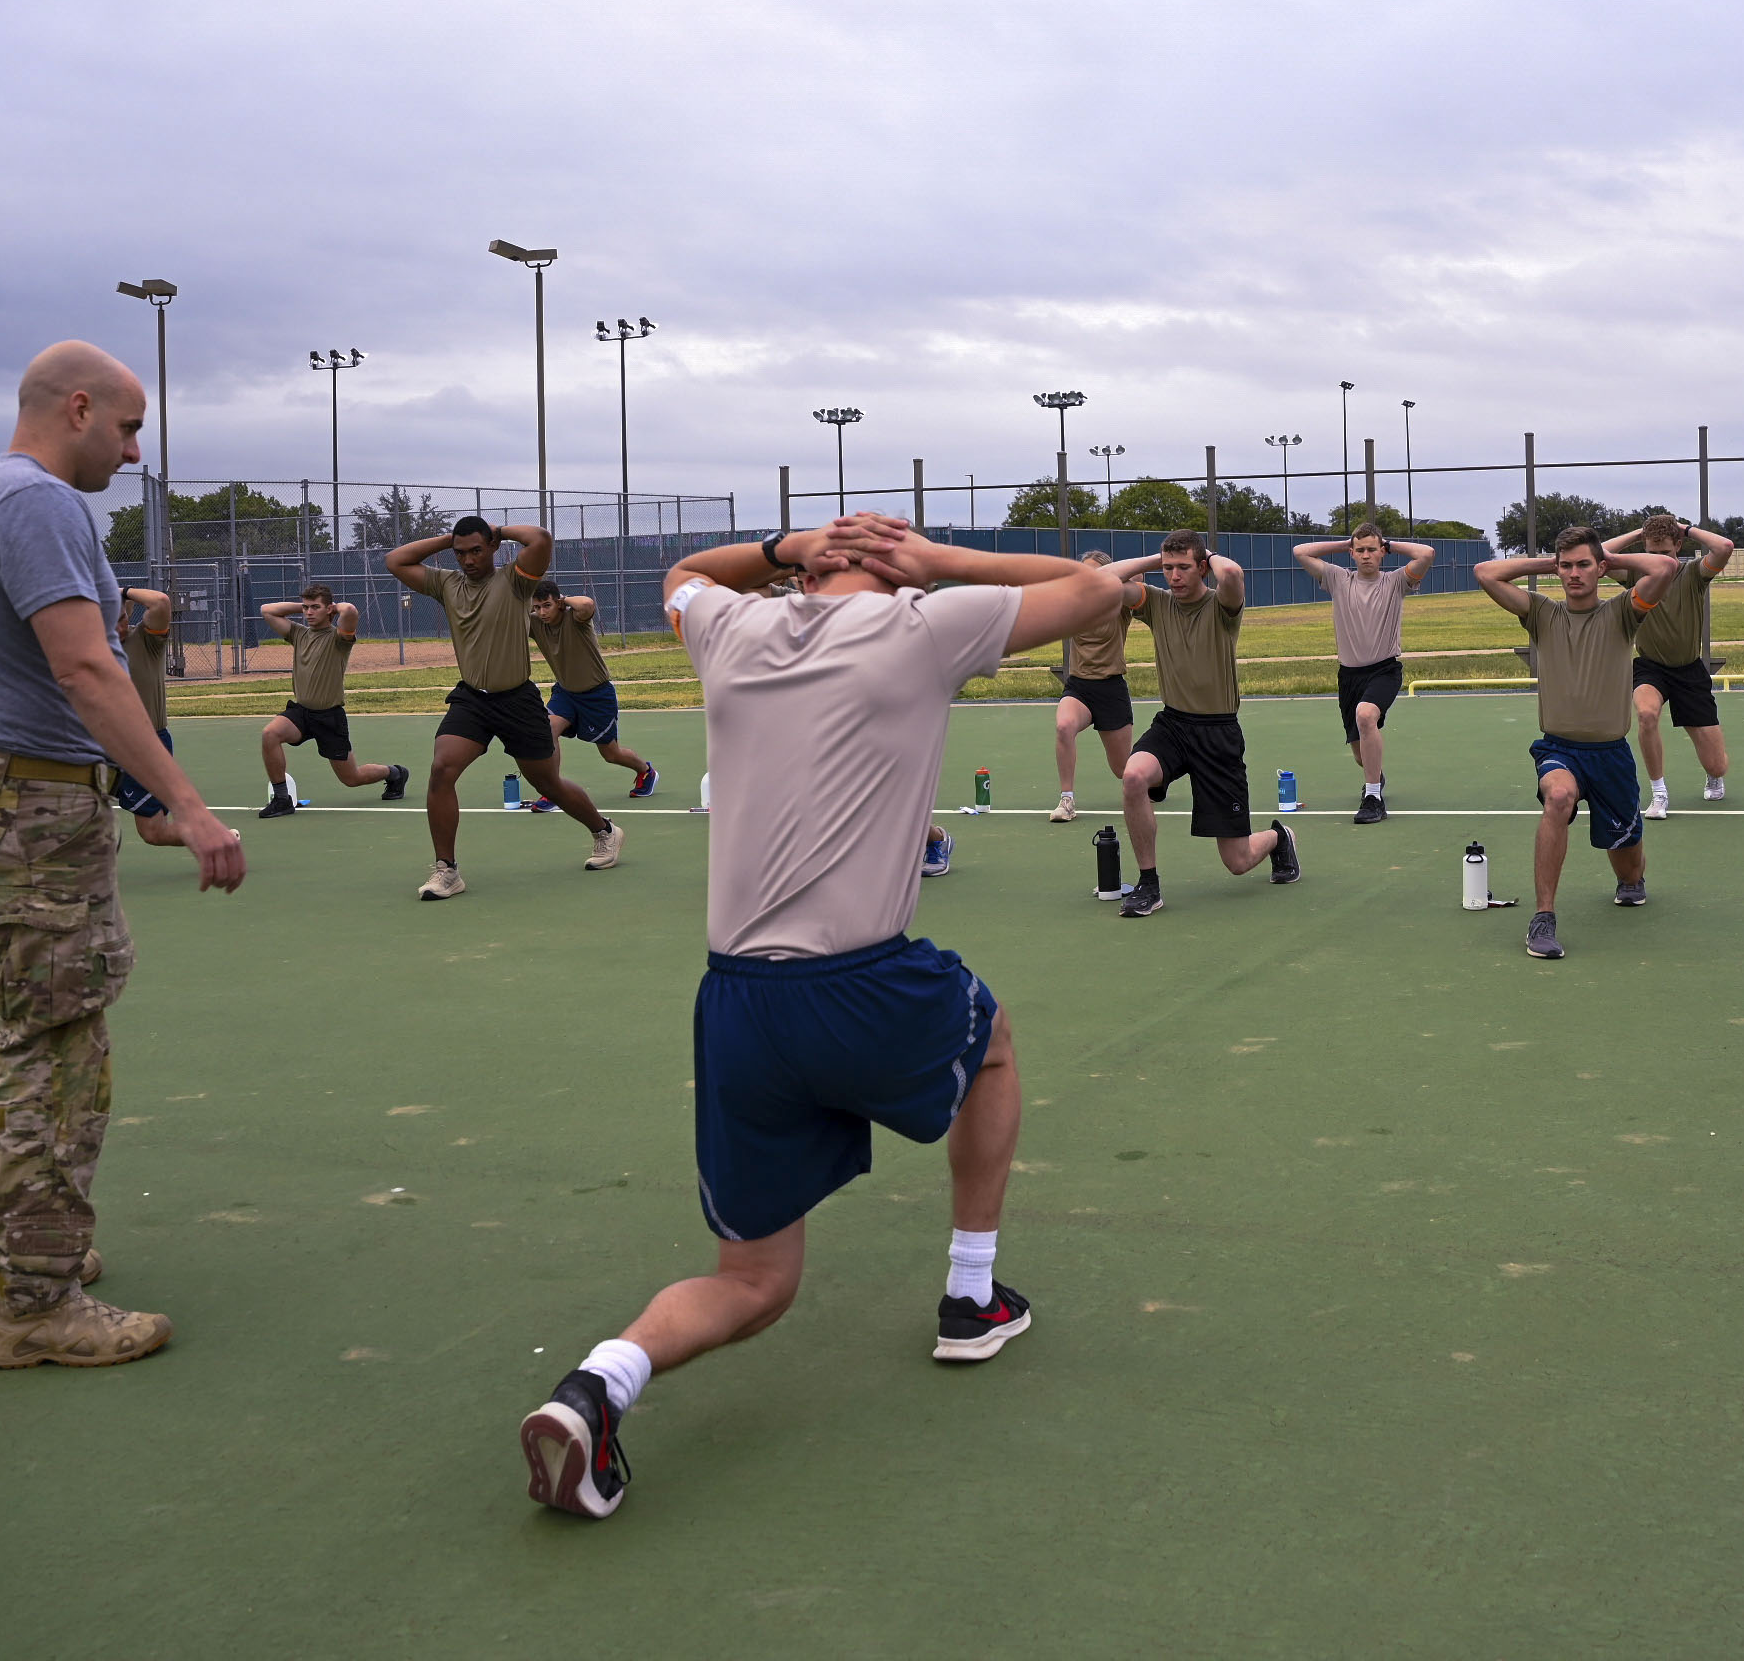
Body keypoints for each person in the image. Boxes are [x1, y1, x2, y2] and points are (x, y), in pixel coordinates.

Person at [517, 514, 1120, 1521]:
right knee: (995, 1048)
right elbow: (1097, 591)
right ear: (894, 569)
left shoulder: (729, 629)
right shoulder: (924, 623)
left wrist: (783, 546)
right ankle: (972, 1295)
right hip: (864, 984)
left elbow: (683, 572)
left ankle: (596, 1387)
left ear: (807, 566)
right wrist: (940, 563)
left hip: (738, 1003)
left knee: (753, 1280)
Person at [0, 340, 245, 1369]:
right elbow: (90, 668)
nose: (135, 452)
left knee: (34, 1031)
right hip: (33, 809)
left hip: (5, 790)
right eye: (129, 428)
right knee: (61, 1052)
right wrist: (187, 805)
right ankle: (38, 1303)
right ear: (79, 407)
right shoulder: (41, 502)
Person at [384, 517, 621, 898]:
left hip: (517, 699)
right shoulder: (446, 584)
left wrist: (501, 531)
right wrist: (449, 539)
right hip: (472, 699)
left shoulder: (515, 580)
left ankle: (604, 831)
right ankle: (447, 870)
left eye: (477, 550)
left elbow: (541, 539)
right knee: (442, 768)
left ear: (493, 547)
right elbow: (396, 560)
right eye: (461, 553)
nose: (468, 559)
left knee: (547, 783)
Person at [1472, 525, 1677, 960]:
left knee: (1629, 868)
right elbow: (1486, 572)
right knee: (1558, 798)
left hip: (1611, 756)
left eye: (1583, 564)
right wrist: (1549, 563)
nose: (1573, 573)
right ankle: (1543, 917)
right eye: (1565, 566)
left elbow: (1665, 566)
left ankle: (1631, 876)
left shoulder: (1624, 611)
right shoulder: (1542, 613)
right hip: (1559, 749)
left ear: (1600, 568)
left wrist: (1608, 560)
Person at [1106, 531, 1300, 916]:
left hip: (1219, 733)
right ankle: (1149, 883)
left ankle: (1278, 838)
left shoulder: (1221, 606)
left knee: (1238, 861)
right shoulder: (1157, 603)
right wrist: (1154, 562)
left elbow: (1232, 575)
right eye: (1168, 569)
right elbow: (1103, 581)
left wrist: (1207, 555)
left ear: (1202, 568)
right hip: (1174, 725)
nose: (1174, 576)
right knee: (1133, 776)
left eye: (1183, 568)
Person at [1293, 522, 1436, 823]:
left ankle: (1373, 797)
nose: (1367, 555)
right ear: (1352, 553)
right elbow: (1300, 551)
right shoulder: (1337, 579)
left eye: (1373, 549)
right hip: (1349, 676)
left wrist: (1390, 544)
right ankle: (1375, 775)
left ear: (1382, 552)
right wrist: (1346, 542)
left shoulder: (1396, 581)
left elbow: (1426, 553)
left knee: (1366, 715)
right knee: (1361, 754)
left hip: (1384, 670)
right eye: (1360, 550)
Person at [1607, 513, 1735, 816]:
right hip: (1650, 667)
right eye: (1652, 553)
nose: (1659, 560)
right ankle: (1659, 793)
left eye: (1665, 553)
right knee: (1647, 714)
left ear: (1678, 545)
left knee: (1718, 764)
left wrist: (1687, 529)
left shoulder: (1693, 574)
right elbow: (1599, 555)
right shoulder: (1635, 575)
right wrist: (1639, 535)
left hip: (1689, 671)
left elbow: (1726, 547)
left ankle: (1713, 776)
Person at [253, 584, 410, 816]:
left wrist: (333, 608)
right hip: (301, 713)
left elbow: (351, 612)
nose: (308, 612)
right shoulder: (299, 633)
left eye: (315, 607)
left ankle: (395, 773)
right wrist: (306, 606)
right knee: (270, 734)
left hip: (329, 717)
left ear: (329, 609)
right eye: (305, 608)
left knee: (352, 778)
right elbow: (267, 610)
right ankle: (282, 799)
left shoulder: (339, 639)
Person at [527, 580, 657, 808]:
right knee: (547, 730)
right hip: (565, 693)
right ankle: (553, 790)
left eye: (547, 605)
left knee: (611, 754)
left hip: (597, 695)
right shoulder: (535, 623)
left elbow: (587, 604)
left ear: (558, 603)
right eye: (537, 607)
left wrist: (563, 600)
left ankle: (646, 771)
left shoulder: (575, 618)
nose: (542, 612)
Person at [1050, 550, 1134, 823]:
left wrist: (1109, 575)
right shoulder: (1074, 602)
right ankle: (1067, 800)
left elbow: (1138, 576)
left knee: (1123, 770)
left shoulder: (1120, 601)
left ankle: (1159, 776)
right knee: (1064, 726)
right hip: (1079, 688)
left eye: (1096, 573)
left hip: (1111, 690)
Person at [112, 588, 188, 849]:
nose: (117, 625)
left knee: (153, 833)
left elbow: (161, 602)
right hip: (102, 745)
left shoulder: (145, 641)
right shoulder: (94, 648)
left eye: (120, 617)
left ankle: (214, 839)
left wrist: (123, 591)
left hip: (147, 747)